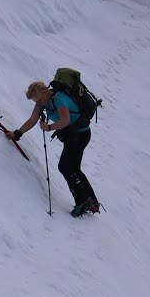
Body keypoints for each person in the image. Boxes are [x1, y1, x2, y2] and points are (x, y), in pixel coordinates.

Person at [12, 80, 100, 217]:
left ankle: (82, 201)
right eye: (36, 100)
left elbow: (65, 120)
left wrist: (48, 127)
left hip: (80, 134)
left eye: (38, 98)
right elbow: (32, 120)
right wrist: (17, 133)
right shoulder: (42, 102)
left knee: (65, 167)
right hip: (74, 134)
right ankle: (91, 201)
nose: (38, 102)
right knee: (73, 168)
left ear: (42, 92)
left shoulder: (59, 99)